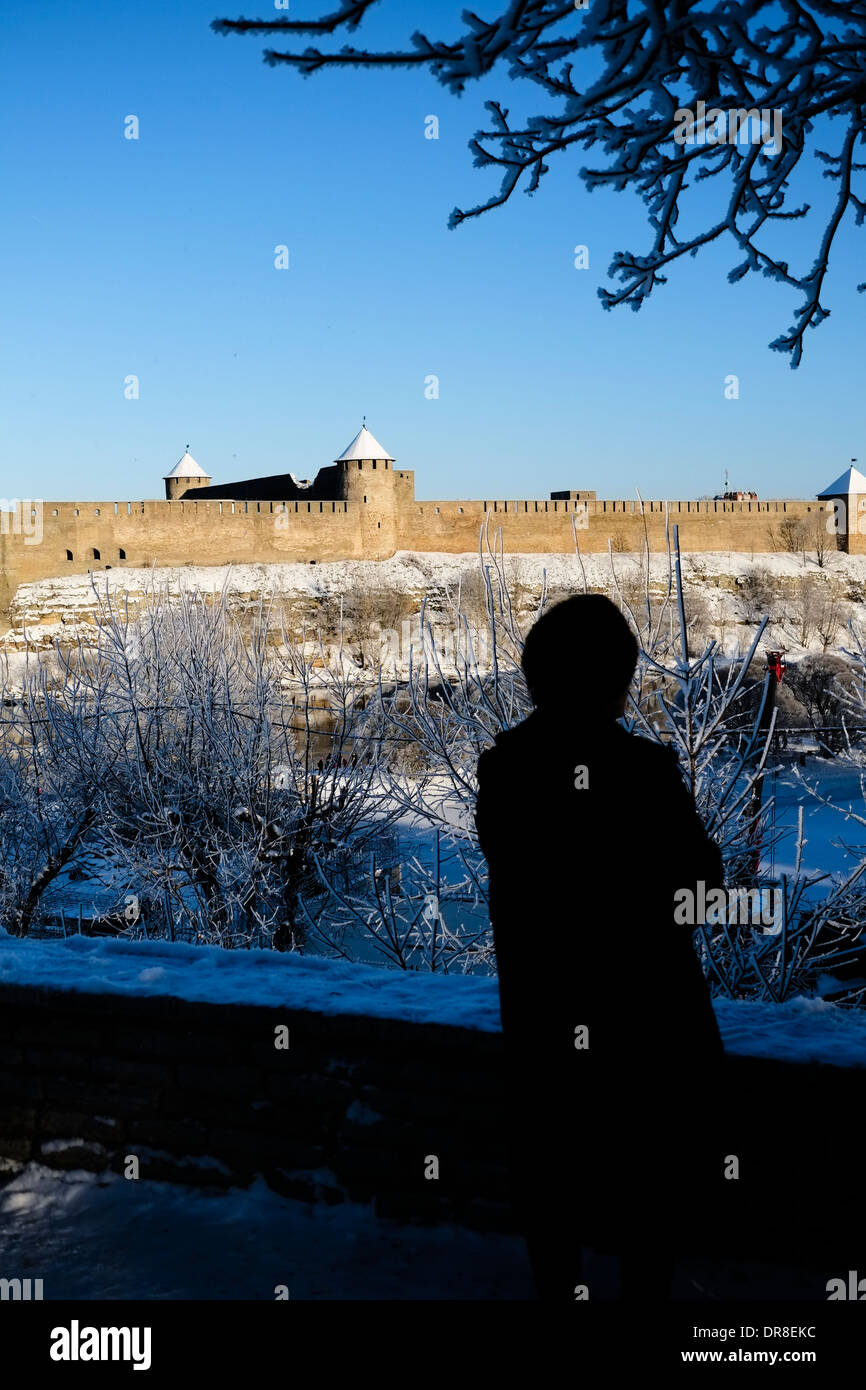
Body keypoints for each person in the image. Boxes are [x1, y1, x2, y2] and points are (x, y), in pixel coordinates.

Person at [475, 595, 725, 1301]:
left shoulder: (505, 770)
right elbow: (701, 891)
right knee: (649, 1205)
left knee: (550, 1196)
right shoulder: (643, 771)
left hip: (542, 1025)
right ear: (615, 677)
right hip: (649, 1029)